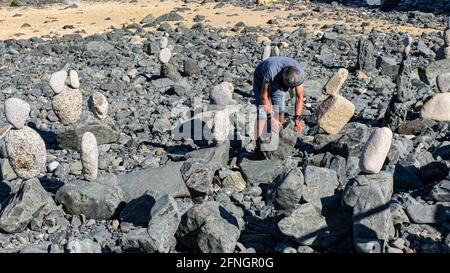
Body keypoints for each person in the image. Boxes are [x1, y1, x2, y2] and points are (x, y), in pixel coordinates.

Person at [252, 56, 305, 143]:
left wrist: (297, 118)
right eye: (287, 85)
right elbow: (264, 97)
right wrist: (270, 118)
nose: (288, 89)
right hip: (261, 76)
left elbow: (299, 97)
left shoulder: (300, 75)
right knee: (262, 111)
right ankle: (258, 142)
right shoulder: (271, 72)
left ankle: (278, 137)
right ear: (282, 77)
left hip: (279, 81)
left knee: (280, 110)